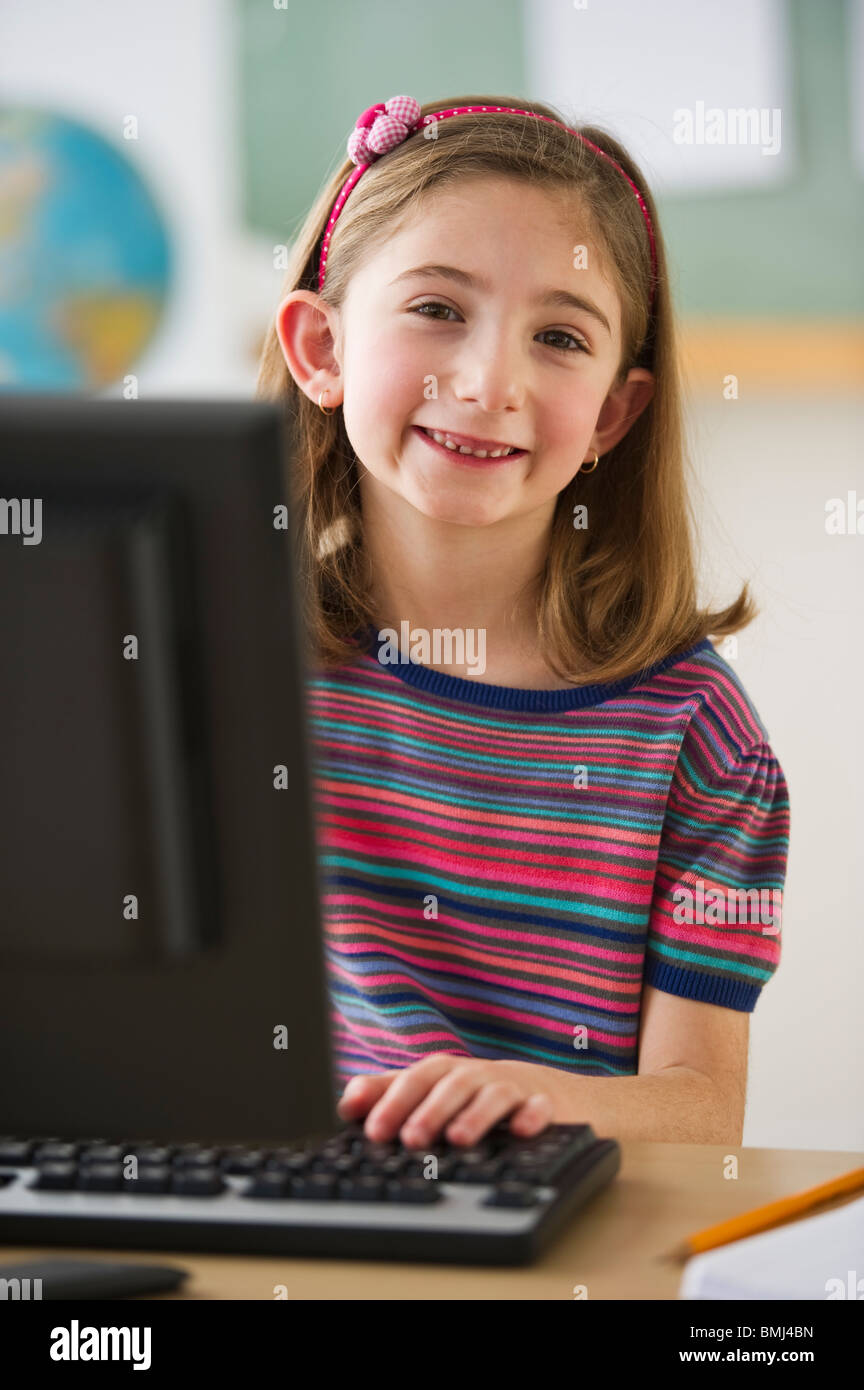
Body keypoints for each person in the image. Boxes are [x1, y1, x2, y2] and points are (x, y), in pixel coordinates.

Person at [257, 95, 790, 1147]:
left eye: (558, 335)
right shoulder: (238, 668)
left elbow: (704, 1110)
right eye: (438, 309)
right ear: (321, 347)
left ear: (611, 415)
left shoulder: (703, 741)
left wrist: (527, 1093)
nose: (490, 380)